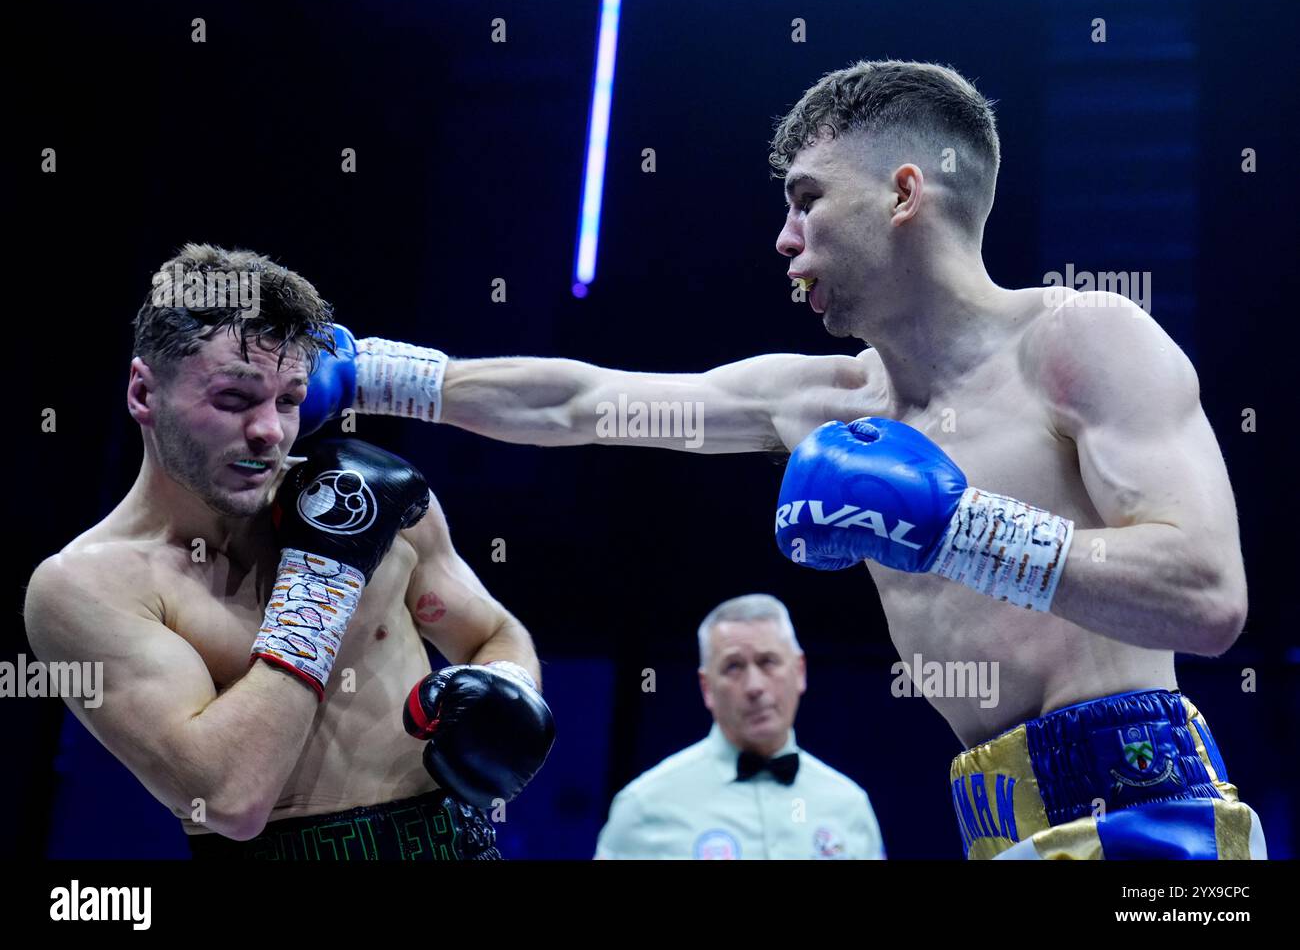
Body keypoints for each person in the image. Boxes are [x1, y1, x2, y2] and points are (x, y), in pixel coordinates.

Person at [296, 59, 1266, 859]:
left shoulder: (1081, 339)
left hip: (1150, 818)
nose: (783, 239)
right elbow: (585, 402)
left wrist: (956, 525)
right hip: (999, 830)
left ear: (902, 193)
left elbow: (1208, 597)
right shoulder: (826, 403)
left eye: (806, 202)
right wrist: (378, 376)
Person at [23, 243, 553, 861]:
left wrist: (506, 691)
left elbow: (492, 631)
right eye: (233, 399)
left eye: (290, 399)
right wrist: (324, 574)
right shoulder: (87, 587)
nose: (269, 430)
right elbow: (230, 799)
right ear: (144, 392)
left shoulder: (369, 500)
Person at [595, 594, 884, 860]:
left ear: (799, 671)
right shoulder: (644, 806)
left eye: (768, 662)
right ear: (706, 688)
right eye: (733, 667)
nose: (755, 686)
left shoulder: (849, 806)